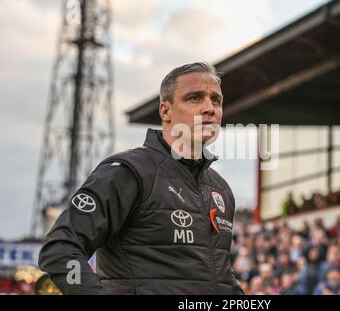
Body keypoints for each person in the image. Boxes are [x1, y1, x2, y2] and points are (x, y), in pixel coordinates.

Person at [39, 62, 244, 295]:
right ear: (165, 111)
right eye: (195, 98)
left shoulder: (220, 189)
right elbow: (60, 249)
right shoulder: (127, 172)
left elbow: (221, 278)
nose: (209, 108)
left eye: (216, 100)